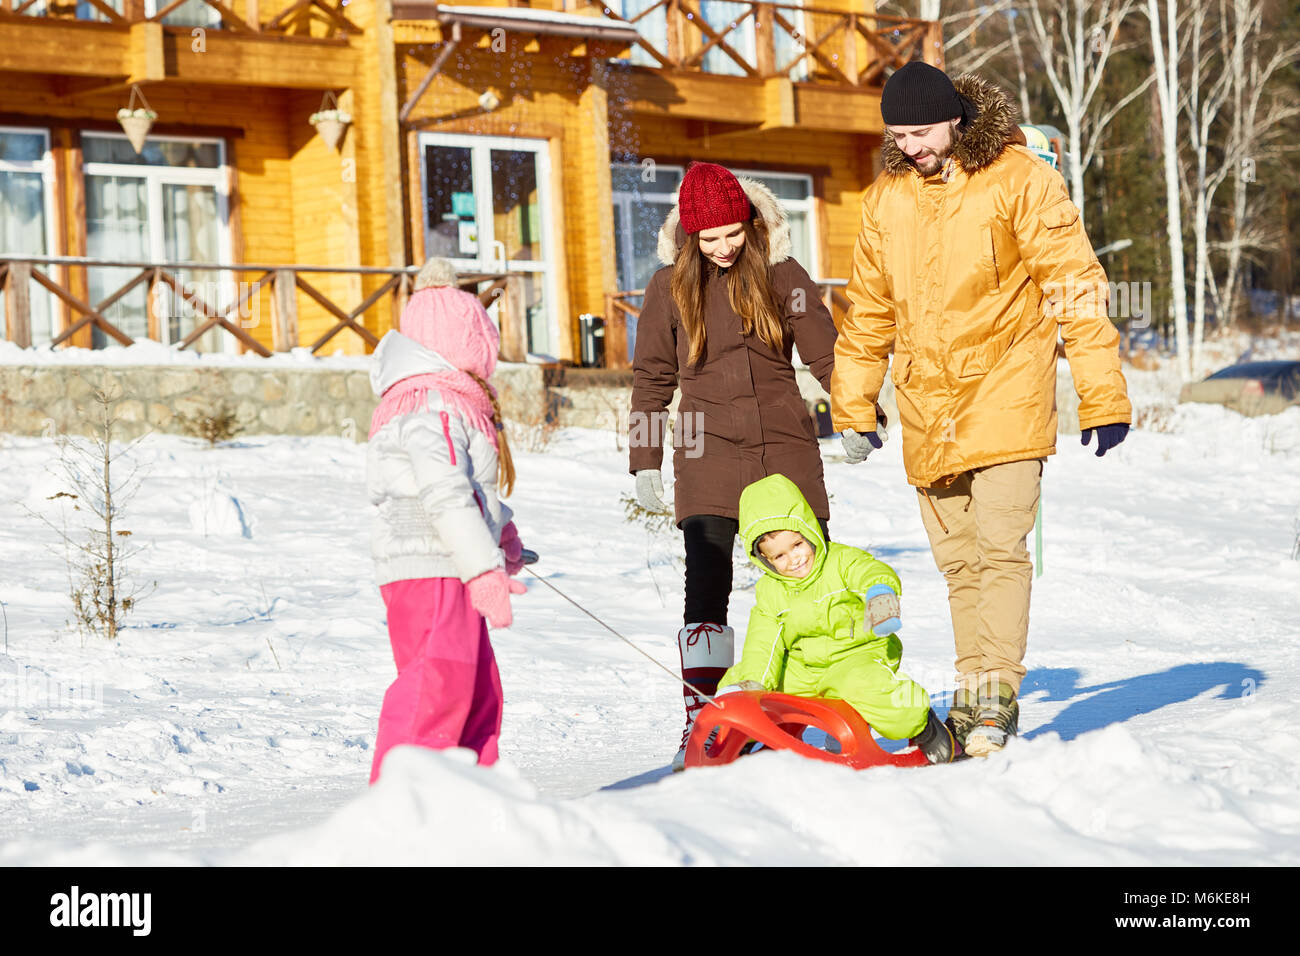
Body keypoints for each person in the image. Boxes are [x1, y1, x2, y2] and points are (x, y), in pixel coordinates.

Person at [831, 62, 1132, 757]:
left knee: (1000, 550)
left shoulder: (1021, 179)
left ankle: (994, 693)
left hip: (1005, 392)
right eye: (898, 135)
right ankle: (973, 691)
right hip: (927, 403)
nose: (911, 147)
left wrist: (1101, 392)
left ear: (956, 120)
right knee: (958, 562)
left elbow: (1076, 286)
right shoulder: (887, 199)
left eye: (922, 131)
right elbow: (869, 312)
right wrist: (852, 405)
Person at [629, 162, 840, 771]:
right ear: (689, 237)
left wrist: (856, 417)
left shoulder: (784, 276)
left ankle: (806, 709)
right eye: (709, 238)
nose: (722, 248)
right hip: (705, 448)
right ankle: (704, 719)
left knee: (806, 577)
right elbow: (652, 379)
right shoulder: (667, 288)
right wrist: (645, 459)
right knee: (707, 583)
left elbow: (825, 352)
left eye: (732, 233)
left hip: (783, 442)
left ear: (750, 224)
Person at [366, 267, 528, 782]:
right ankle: (403, 806)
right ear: (461, 346)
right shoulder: (433, 404)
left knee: (477, 691)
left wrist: (501, 537)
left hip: (450, 563)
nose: (488, 361)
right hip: (433, 566)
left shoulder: (443, 402)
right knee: (437, 687)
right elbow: (443, 492)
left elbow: (468, 491)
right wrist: (483, 570)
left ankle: (472, 801)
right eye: (482, 346)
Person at [715, 474, 956, 764]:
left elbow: (871, 573)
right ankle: (737, 733)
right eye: (779, 556)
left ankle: (920, 724)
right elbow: (763, 642)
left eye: (797, 545)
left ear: (809, 531)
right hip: (804, 667)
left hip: (857, 656)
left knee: (870, 689)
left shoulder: (840, 562)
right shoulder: (771, 590)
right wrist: (754, 681)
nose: (793, 559)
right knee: (740, 679)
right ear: (764, 560)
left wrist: (880, 597)